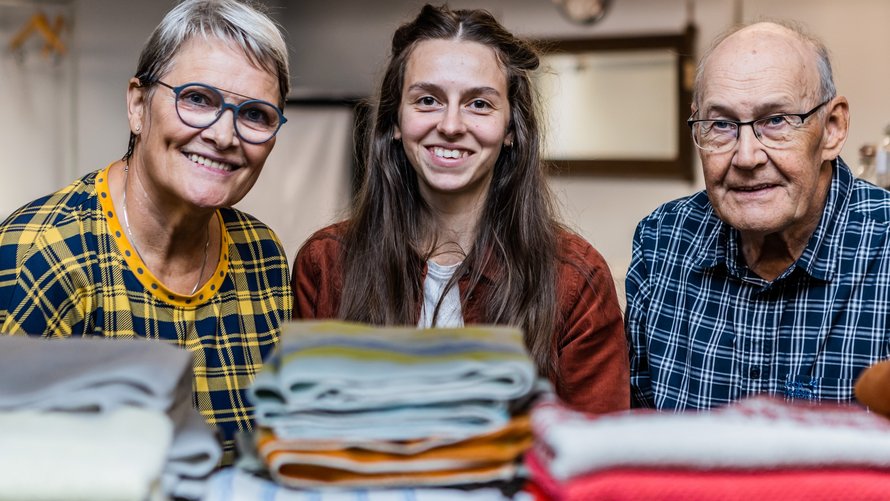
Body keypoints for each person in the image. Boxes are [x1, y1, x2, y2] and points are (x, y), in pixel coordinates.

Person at [292, 4, 629, 415]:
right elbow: (308, 434)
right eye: (428, 99)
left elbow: (589, 459)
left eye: (479, 104)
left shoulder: (575, 280)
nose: (451, 125)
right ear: (395, 120)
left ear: (510, 129)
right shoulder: (326, 264)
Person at [0, 0, 292, 464]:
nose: (224, 135)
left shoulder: (263, 255)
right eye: (198, 99)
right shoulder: (45, 252)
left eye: (256, 114)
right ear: (138, 106)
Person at [626, 21, 890, 410]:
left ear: (833, 128)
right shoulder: (662, 241)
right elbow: (635, 431)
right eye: (721, 125)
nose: (747, 157)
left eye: (776, 120)